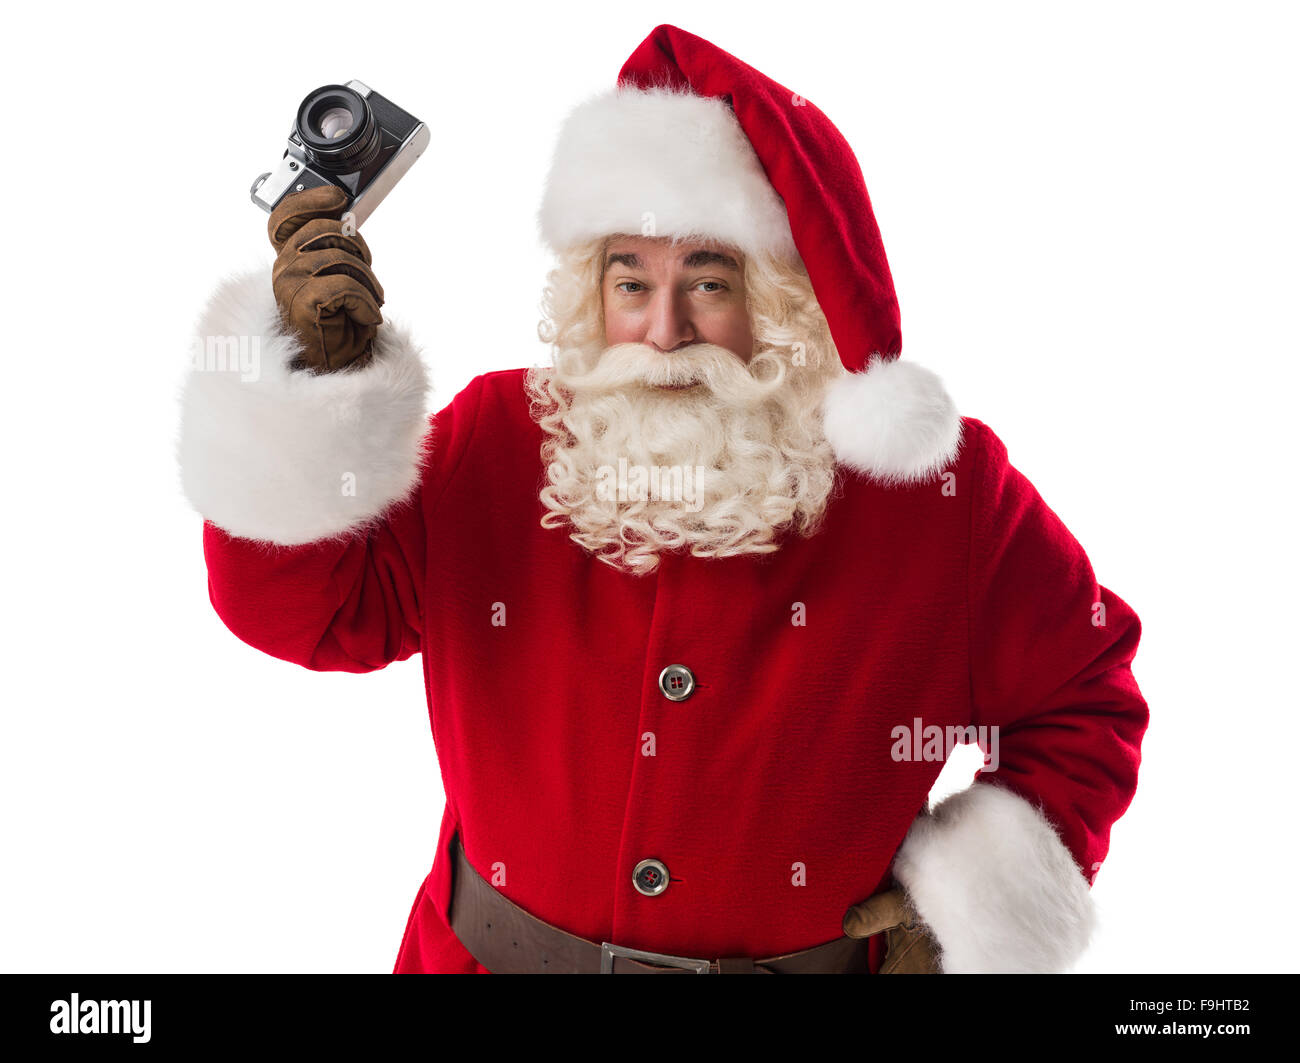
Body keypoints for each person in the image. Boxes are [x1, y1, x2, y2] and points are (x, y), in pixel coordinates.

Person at [178, 25, 1149, 974]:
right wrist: (305, 387)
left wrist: (967, 906)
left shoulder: (940, 492)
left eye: (709, 280)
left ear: (783, 297)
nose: (663, 328)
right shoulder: (496, 437)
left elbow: (1084, 690)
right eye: (629, 279)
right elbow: (310, 616)